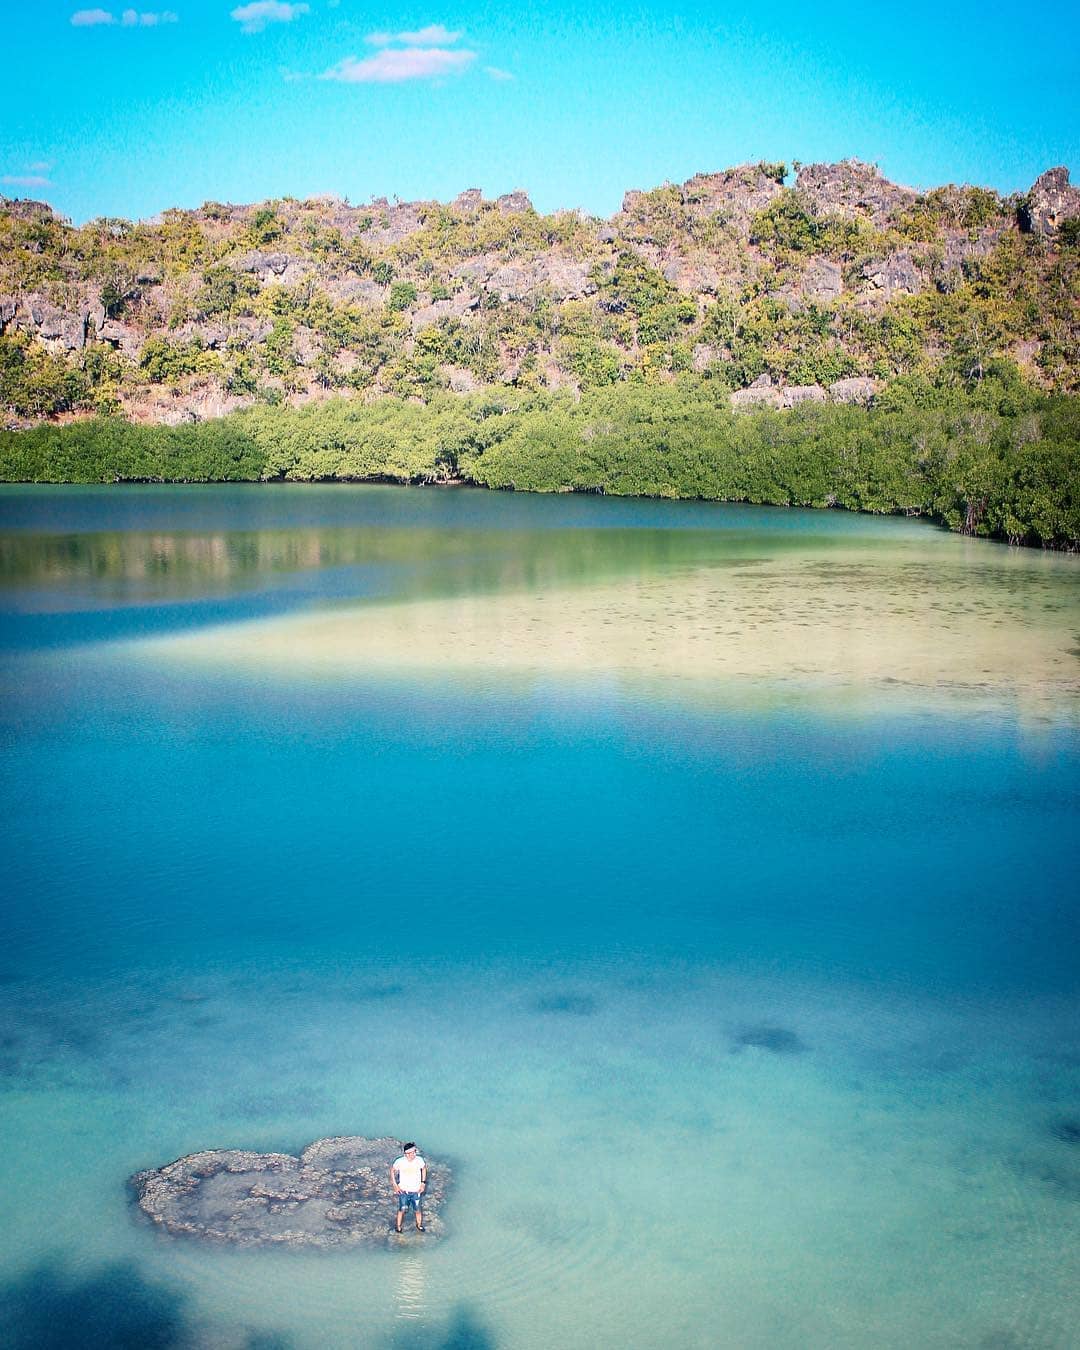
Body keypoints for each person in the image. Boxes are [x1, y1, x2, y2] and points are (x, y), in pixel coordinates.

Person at [390, 1141, 427, 1232]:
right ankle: (398, 1227)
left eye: (414, 1152)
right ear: (405, 1153)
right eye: (410, 1153)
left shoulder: (419, 1160)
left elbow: (424, 1168)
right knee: (402, 1209)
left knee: (417, 1210)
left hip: (416, 1191)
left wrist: (423, 1183)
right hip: (404, 1191)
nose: (413, 1155)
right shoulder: (400, 1161)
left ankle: (419, 1225)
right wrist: (395, 1184)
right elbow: (392, 1170)